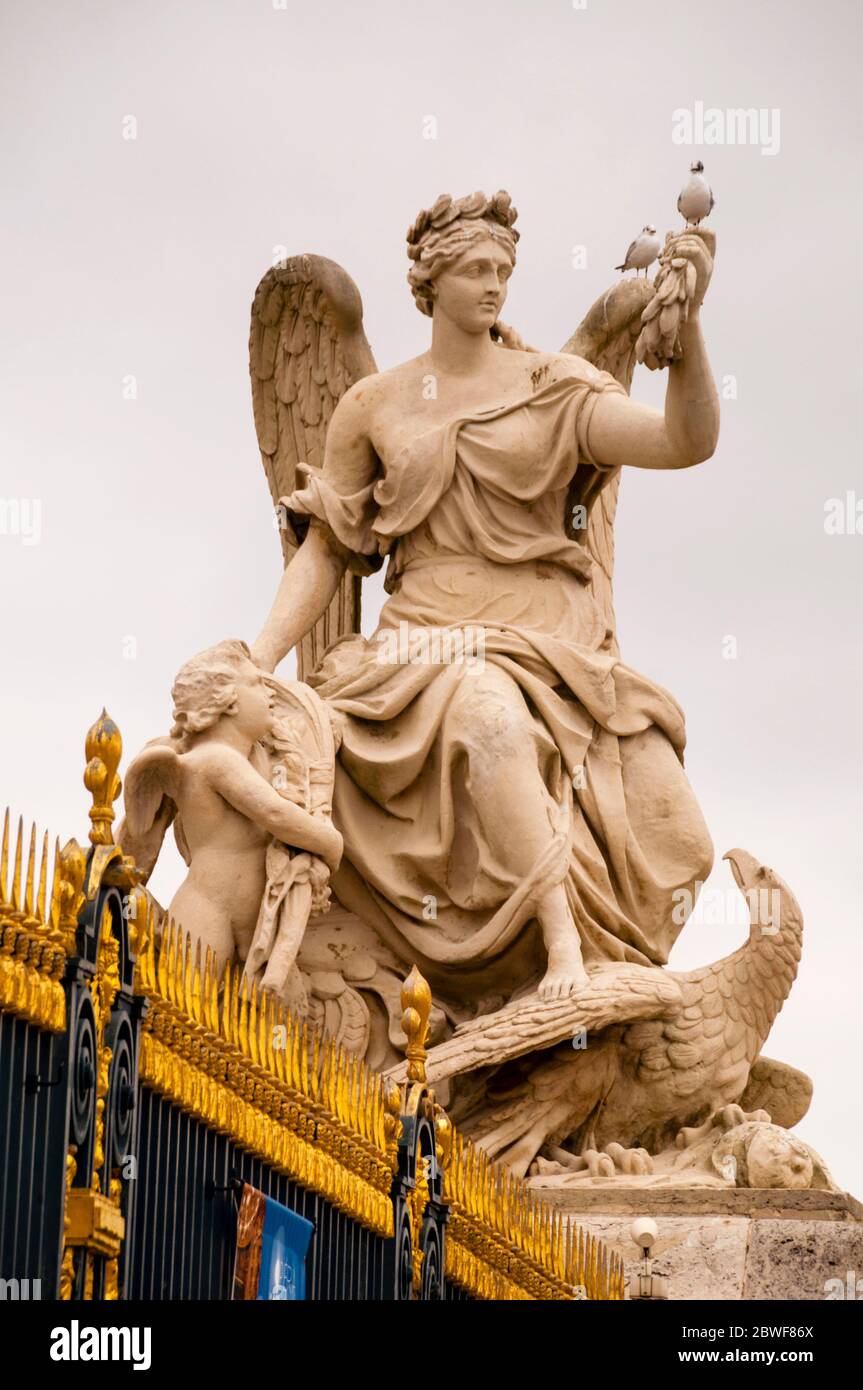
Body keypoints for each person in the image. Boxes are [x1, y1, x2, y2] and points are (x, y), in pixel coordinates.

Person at [251, 191, 718, 1008]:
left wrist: (688, 339)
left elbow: (683, 443)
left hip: (557, 647)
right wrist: (255, 660)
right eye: (474, 269)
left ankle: (607, 984)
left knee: (682, 835)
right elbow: (328, 550)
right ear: (429, 284)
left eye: (503, 269)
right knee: (484, 713)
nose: (494, 285)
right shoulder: (373, 405)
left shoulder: (552, 386)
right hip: (422, 650)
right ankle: (561, 955)